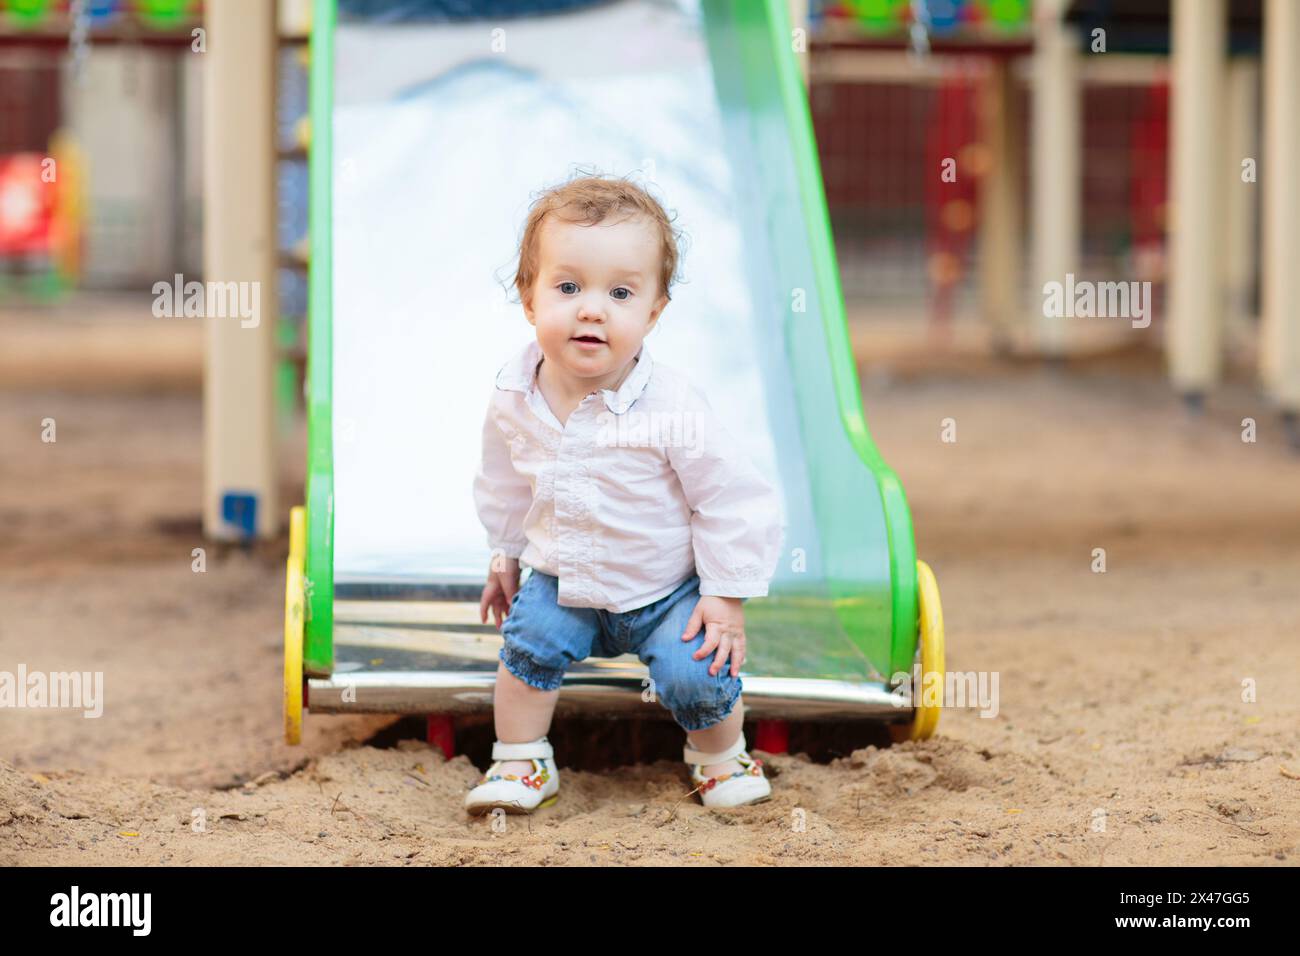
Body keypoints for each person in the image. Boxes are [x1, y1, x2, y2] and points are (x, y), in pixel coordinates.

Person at [466, 173, 784, 815]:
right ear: (528, 299)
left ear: (653, 312)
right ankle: (522, 760)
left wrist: (724, 596)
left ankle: (719, 757)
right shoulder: (514, 394)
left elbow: (729, 498)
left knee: (697, 670)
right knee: (527, 645)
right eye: (567, 287)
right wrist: (505, 556)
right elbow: (502, 482)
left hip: (664, 590)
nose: (592, 308)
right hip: (563, 580)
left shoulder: (672, 406)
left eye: (619, 292)